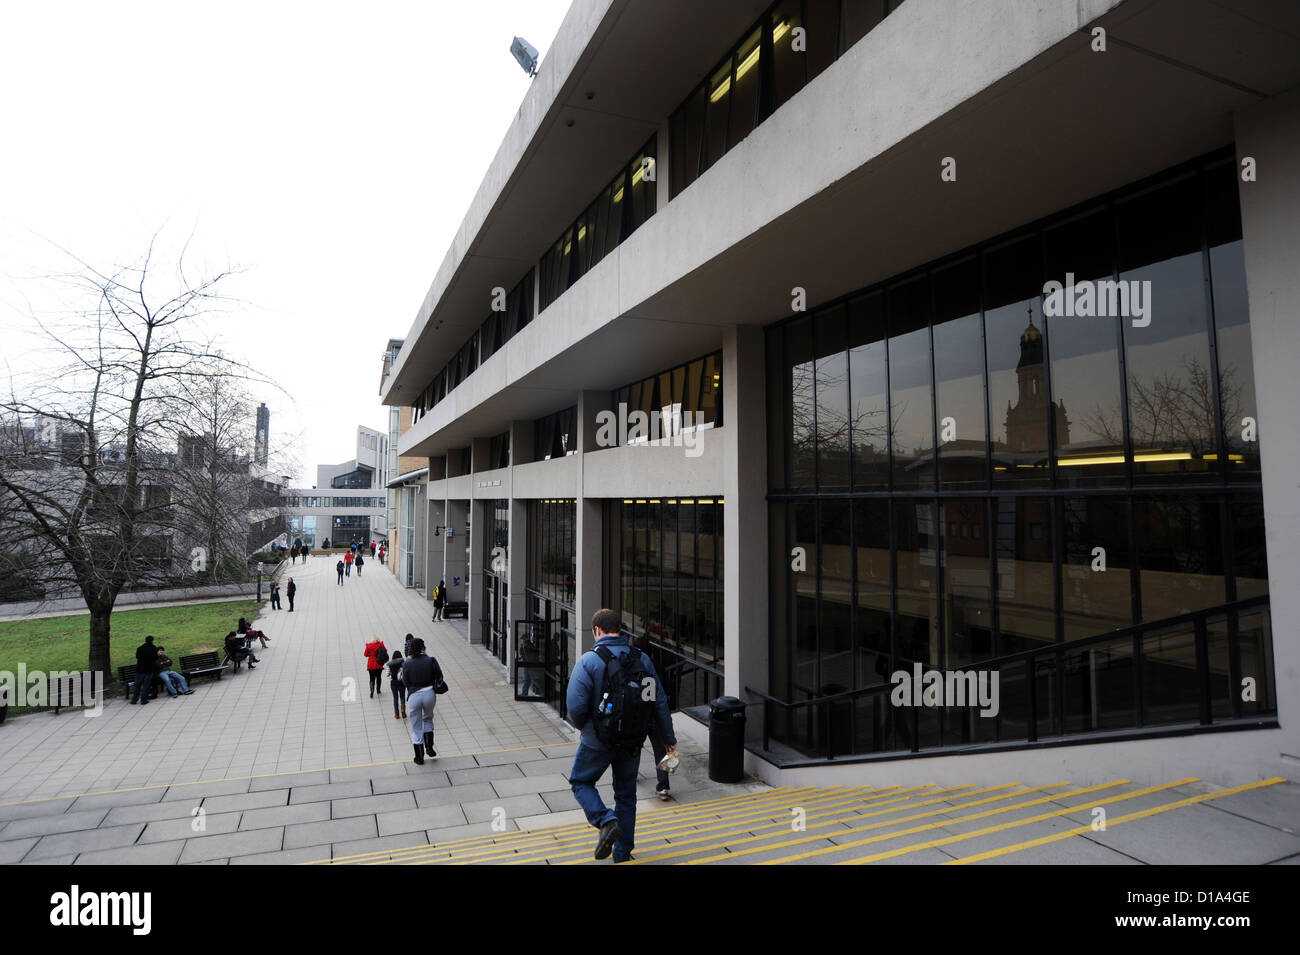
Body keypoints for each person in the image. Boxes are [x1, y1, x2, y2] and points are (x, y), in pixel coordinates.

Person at [566, 609, 677, 862]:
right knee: (626, 795)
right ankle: (623, 853)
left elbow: (575, 706)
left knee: (581, 782)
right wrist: (668, 737)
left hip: (597, 741)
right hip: (632, 741)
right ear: (620, 629)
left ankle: (606, 821)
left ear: (597, 630)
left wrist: (587, 728)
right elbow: (658, 701)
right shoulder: (642, 659)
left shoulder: (589, 661)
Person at [400, 637, 444, 765]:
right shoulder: (430, 660)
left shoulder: (407, 663)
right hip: (429, 693)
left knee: (416, 726)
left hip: (414, 695)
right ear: (423, 647)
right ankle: (429, 747)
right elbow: (439, 675)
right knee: (428, 719)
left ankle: (419, 757)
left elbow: (405, 681)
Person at [130, 635, 161, 705]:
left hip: (139, 669)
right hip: (148, 670)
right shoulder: (153, 648)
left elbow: (137, 657)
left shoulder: (140, 648)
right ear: (152, 641)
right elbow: (155, 658)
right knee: (146, 685)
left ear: (145, 640)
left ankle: (134, 700)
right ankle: (143, 700)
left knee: (137, 685)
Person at [387, 650, 407, 719]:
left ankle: (396, 714)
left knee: (395, 698)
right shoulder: (403, 662)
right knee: (402, 697)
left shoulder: (390, 664)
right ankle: (403, 710)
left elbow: (388, 674)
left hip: (393, 683)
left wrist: (391, 675)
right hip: (401, 682)